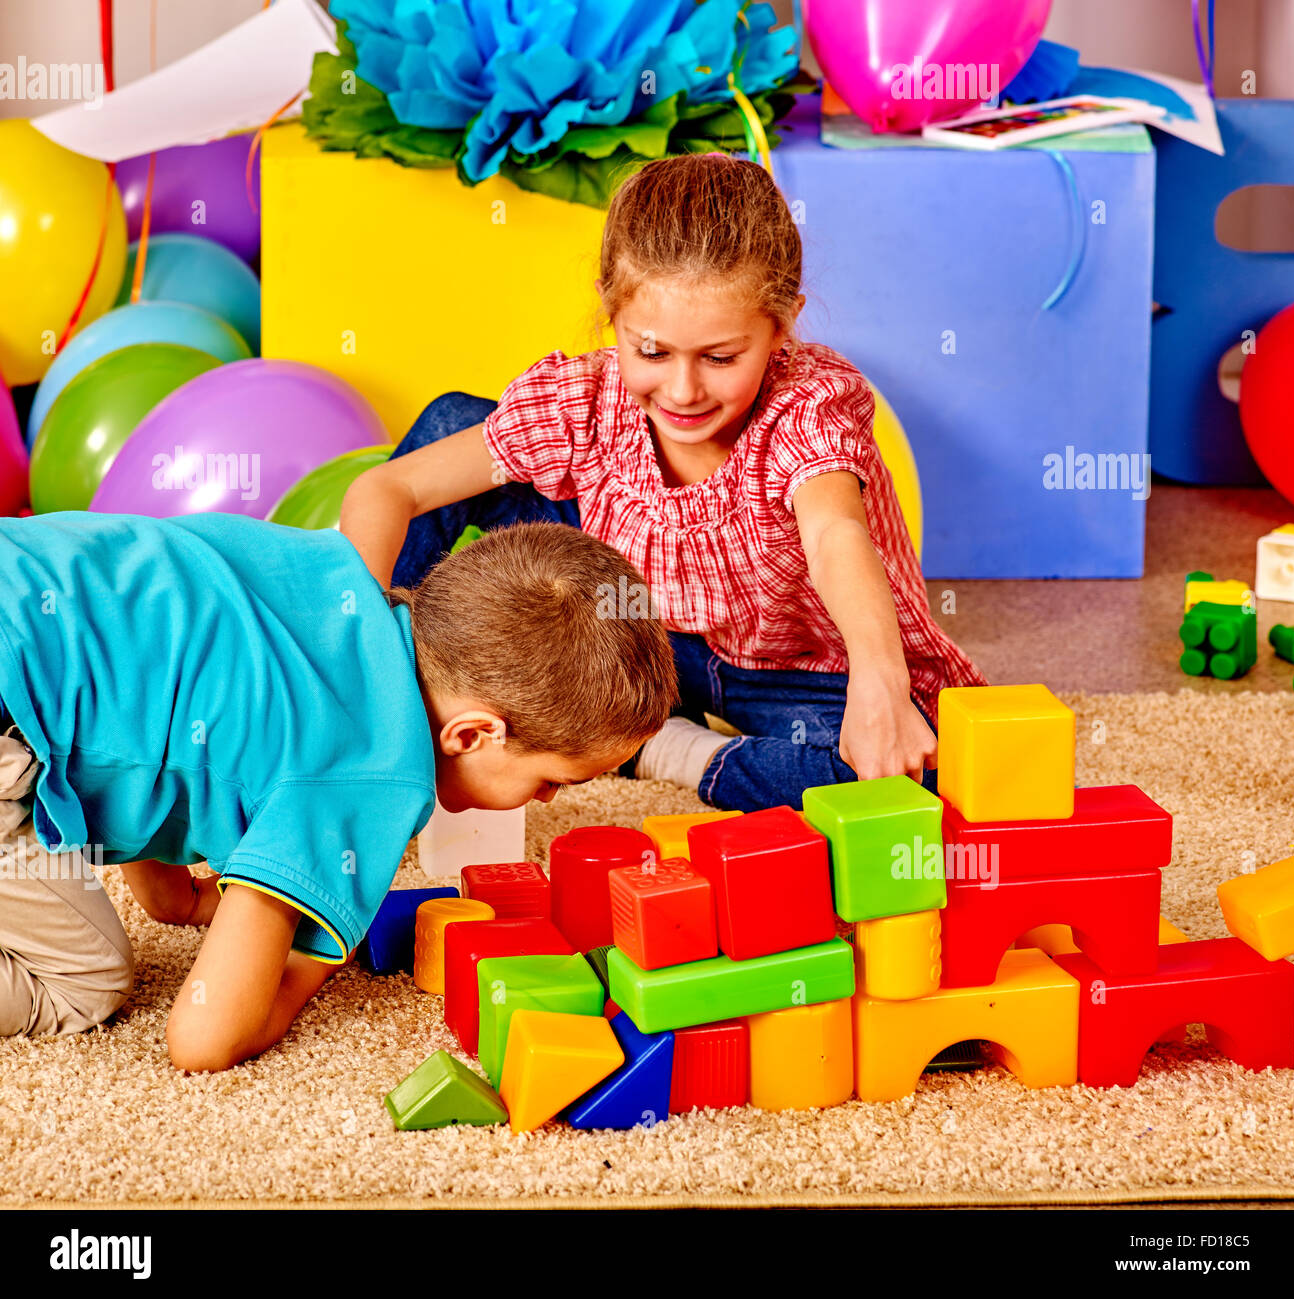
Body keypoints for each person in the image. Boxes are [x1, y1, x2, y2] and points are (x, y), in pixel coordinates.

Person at [339, 152, 986, 813]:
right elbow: (387, 489)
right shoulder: (587, 399)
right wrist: (356, 651)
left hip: (794, 670)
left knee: (920, 775)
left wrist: (879, 680)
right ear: (610, 312)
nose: (682, 390)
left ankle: (664, 747)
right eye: (651, 351)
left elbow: (834, 533)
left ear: (782, 325)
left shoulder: (806, 405)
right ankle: (392, 701)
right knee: (457, 419)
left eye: (720, 357)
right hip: (641, 636)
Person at [0, 513, 675, 1069]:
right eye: (555, 780)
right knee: (84, 979)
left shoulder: (332, 574)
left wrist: (178, 899)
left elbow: (152, 683)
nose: (552, 801)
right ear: (470, 735)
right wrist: (312, 960)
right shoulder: (372, 772)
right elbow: (202, 1039)